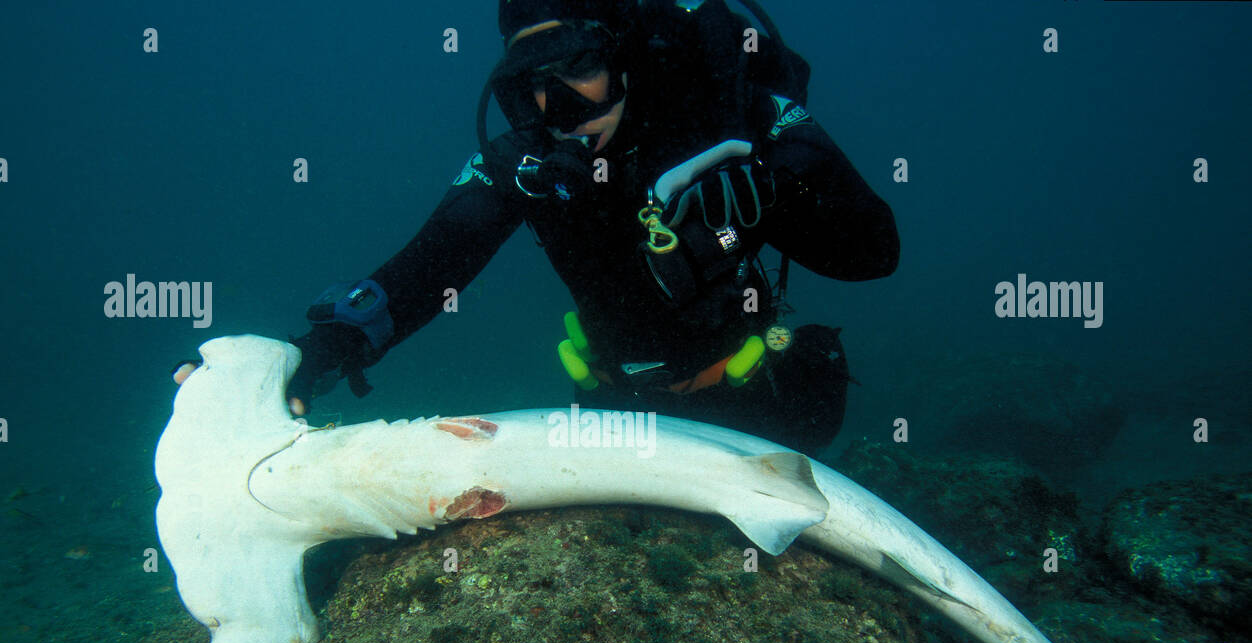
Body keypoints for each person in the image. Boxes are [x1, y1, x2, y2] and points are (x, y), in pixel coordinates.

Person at [175, 0, 898, 455]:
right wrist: (318, 351)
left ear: (621, 52)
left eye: (578, 65)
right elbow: (432, 265)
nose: (559, 103)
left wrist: (770, 194)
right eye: (530, 81)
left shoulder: (727, 110)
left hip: (760, 402)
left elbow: (875, 251)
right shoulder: (524, 161)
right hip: (616, 418)